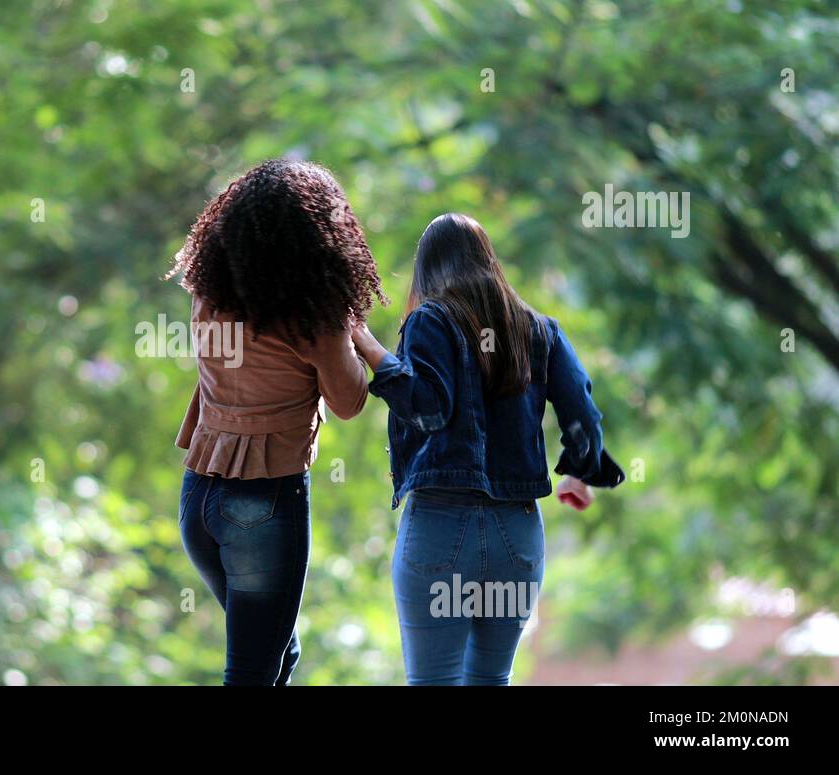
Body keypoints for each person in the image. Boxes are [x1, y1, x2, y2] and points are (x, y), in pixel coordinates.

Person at [351, 212, 625, 685]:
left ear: (427, 270)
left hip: (441, 527)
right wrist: (579, 472)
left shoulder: (430, 319)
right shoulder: (540, 330)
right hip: (515, 537)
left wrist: (370, 347)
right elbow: (583, 412)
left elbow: (429, 409)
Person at [166, 158, 386, 685]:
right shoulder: (315, 316)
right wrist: (354, 331)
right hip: (262, 505)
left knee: (276, 657)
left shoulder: (207, 294)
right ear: (322, 236)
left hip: (199, 497)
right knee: (253, 672)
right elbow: (350, 401)